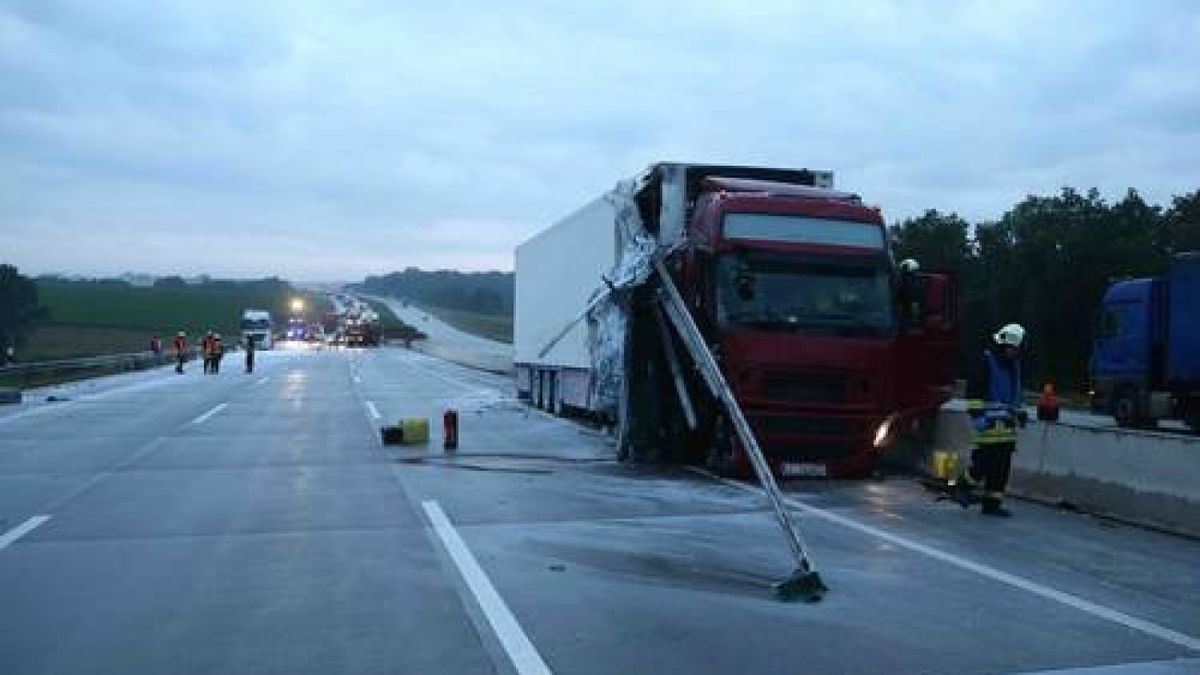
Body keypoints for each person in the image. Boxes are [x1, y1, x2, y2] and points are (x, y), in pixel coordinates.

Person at [960, 323, 1027, 517]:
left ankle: (992, 504)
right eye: (1011, 349)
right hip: (987, 429)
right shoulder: (986, 362)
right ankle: (961, 488)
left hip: (1006, 430)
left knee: (1001, 470)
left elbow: (1014, 397)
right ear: (1003, 345)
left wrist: (1019, 413)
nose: (1014, 353)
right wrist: (978, 417)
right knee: (981, 465)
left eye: (1017, 349)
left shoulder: (1014, 367)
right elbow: (974, 393)